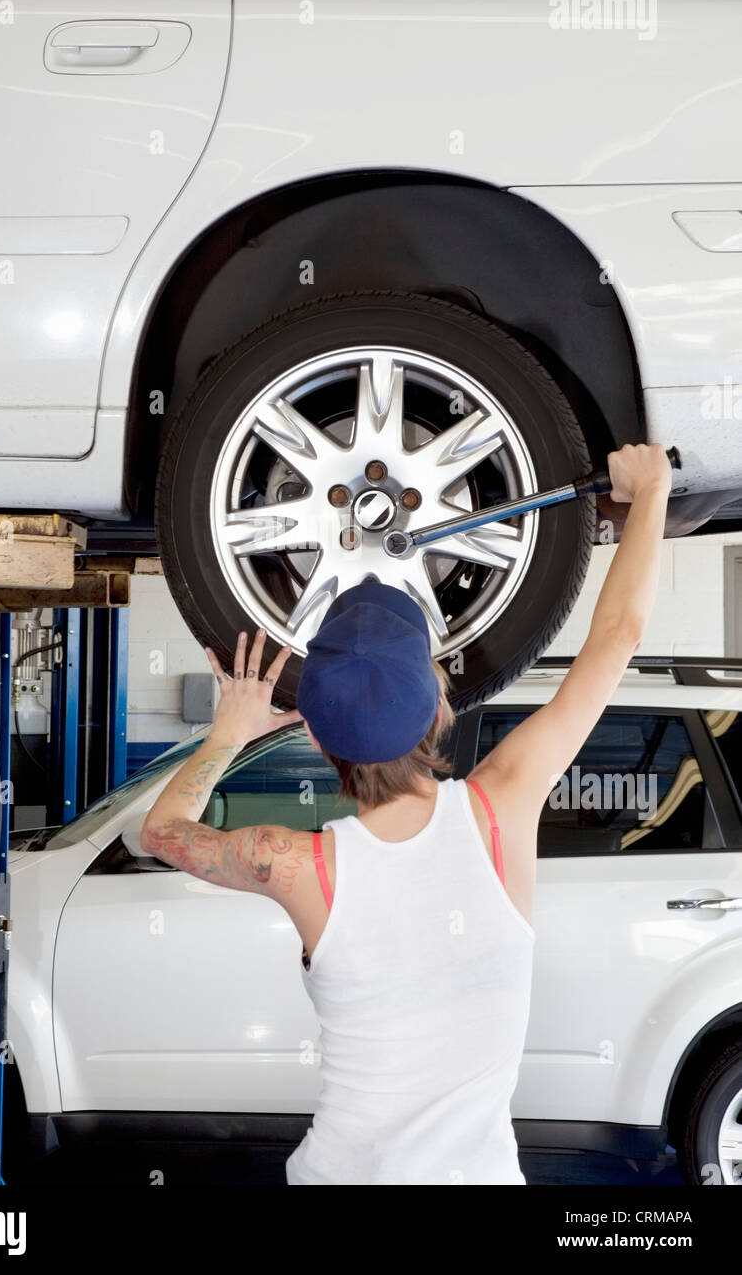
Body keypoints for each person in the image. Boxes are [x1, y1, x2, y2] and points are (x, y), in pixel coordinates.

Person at [139, 441, 673, 1185]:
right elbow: (616, 639)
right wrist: (648, 491)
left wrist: (227, 733)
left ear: (315, 733)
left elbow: (160, 833)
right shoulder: (500, 808)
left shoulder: (295, 863)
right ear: (436, 706)